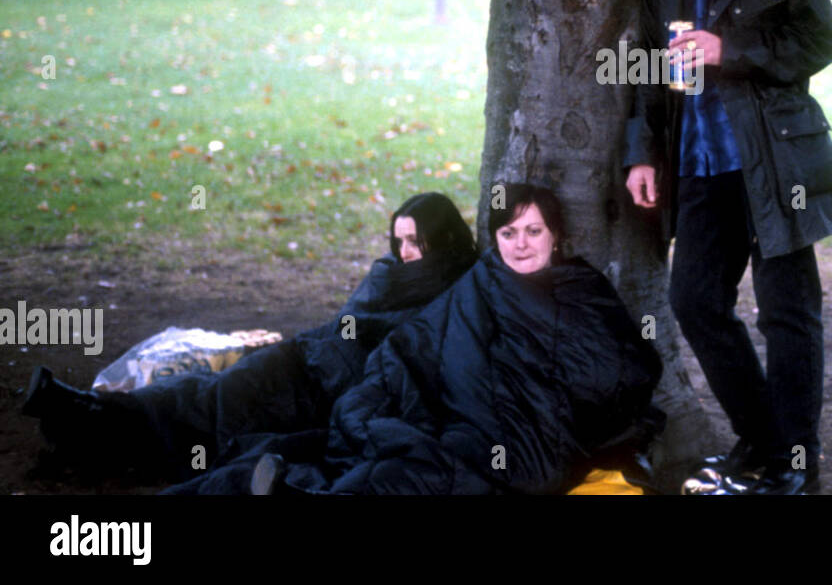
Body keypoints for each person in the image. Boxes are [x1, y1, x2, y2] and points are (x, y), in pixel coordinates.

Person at [623, 0, 832, 495]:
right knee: (693, 300)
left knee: (788, 312)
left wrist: (732, 50)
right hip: (697, 158)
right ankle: (765, 442)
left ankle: (796, 467)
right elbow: (643, 62)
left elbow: (820, 40)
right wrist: (640, 151)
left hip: (773, 157)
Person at [175, 183, 664, 495]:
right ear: (495, 240)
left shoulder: (584, 292)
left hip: (527, 442)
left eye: (533, 231)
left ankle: (295, 489)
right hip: (456, 420)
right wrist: (380, 395)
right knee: (400, 455)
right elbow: (416, 346)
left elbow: (619, 371)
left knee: (434, 473)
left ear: (555, 236)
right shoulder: (481, 284)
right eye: (509, 232)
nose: (520, 244)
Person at [22, 192, 478, 483]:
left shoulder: (448, 295)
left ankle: (91, 426)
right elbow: (348, 323)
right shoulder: (392, 277)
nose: (404, 254)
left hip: (320, 391)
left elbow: (399, 361)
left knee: (213, 412)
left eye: (415, 242)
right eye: (398, 241)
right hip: (305, 358)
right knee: (207, 391)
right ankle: (90, 411)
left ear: (442, 242)